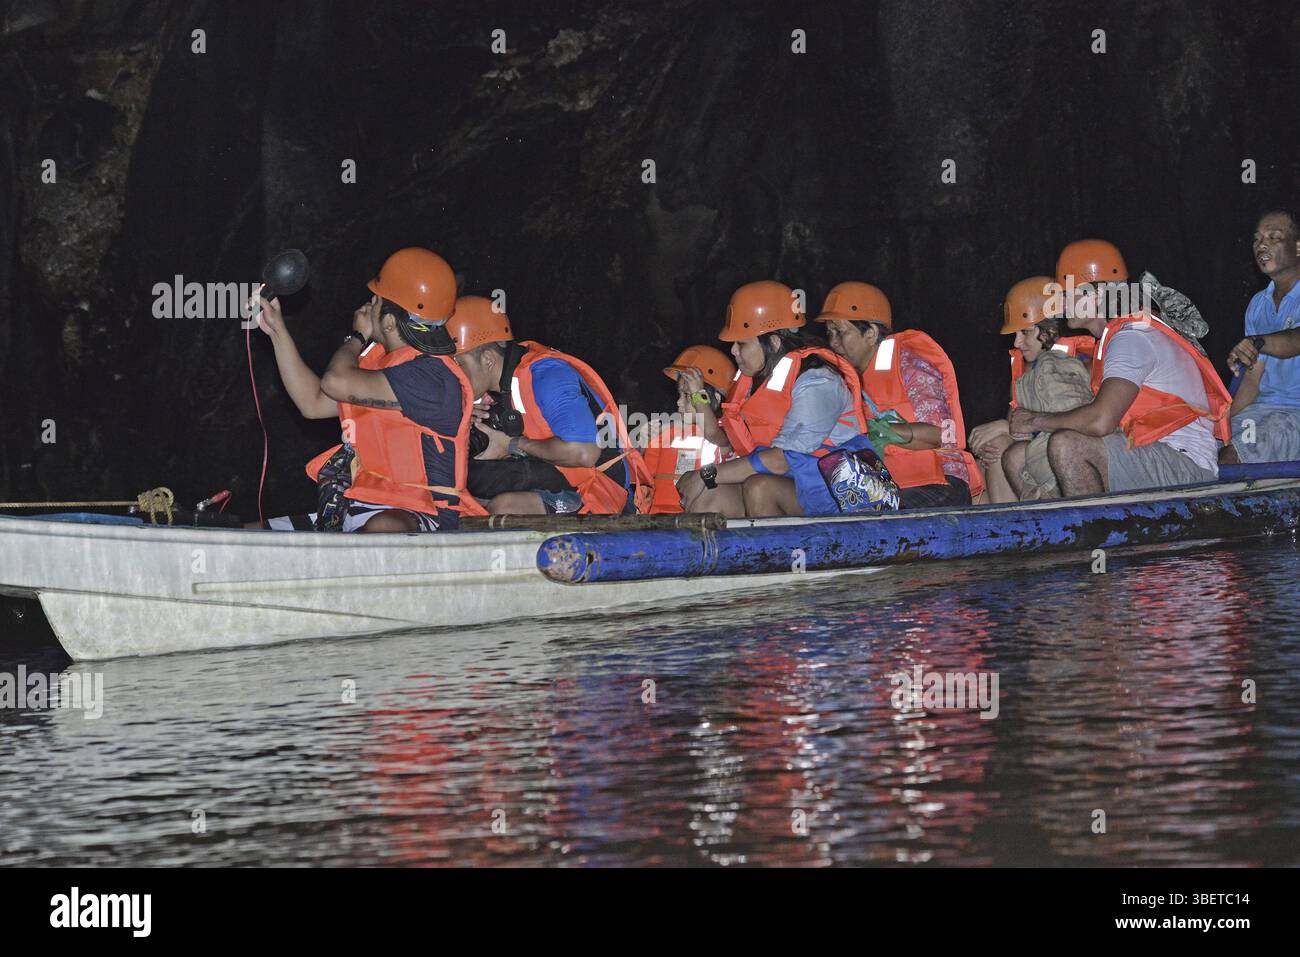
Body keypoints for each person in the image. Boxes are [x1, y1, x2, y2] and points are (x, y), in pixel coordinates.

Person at [255, 247, 485, 532]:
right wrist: (277, 330)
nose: (367, 306)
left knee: (383, 527)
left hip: (422, 515)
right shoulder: (378, 367)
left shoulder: (431, 378)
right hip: (355, 506)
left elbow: (335, 382)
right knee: (247, 533)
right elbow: (312, 403)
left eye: (375, 301)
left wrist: (358, 336)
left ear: (388, 321)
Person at [1008, 239, 1231, 495]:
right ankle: (1062, 531)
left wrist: (1035, 421)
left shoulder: (1132, 337)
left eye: (1068, 293)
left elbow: (1100, 421)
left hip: (1184, 463)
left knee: (1067, 446)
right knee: (1020, 457)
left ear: (1099, 294)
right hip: (1148, 452)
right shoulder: (1112, 340)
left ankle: (1094, 533)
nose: (1061, 302)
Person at [676, 281, 894, 518]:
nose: (733, 351)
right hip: (799, 490)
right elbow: (726, 438)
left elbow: (782, 461)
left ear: (774, 342)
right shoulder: (754, 385)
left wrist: (706, 474)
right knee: (708, 496)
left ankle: (777, 554)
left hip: (852, 498)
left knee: (760, 488)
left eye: (741, 343)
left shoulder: (819, 381)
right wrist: (705, 480)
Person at [449, 295, 651, 515]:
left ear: (487, 359)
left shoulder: (547, 375)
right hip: (556, 476)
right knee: (457, 494)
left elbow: (583, 452)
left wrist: (512, 445)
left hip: (597, 491)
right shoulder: (493, 391)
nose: (453, 373)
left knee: (505, 507)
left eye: (458, 363)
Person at [815, 281, 984, 508]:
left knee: (877, 514)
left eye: (841, 332)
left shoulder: (911, 367)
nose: (833, 343)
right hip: (883, 487)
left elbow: (944, 435)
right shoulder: (842, 382)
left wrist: (881, 431)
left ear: (871, 333)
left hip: (939, 484)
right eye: (830, 333)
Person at [968, 277, 1094, 502]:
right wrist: (1000, 433)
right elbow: (1017, 424)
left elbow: (1079, 429)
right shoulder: (1026, 371)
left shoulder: (1081, 363)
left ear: (1050, 329)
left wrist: (1003, 427)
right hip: (1038, 450)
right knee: (978, 467)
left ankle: (1013, 529)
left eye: (1025, 332)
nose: (1016, 343)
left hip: (1072, 459)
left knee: (998, 447)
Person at [1221, 209, 1300, 464]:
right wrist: (1219, 424)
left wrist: (1259, 342)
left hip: (1294, 413)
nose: (1261, 244)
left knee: (1235, 454)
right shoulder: (1258, 304)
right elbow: (1252, 381)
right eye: (1257, 239)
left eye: (1274, 237)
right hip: (1263, 412)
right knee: (1203, 447)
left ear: (1298, 248)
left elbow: (1295, 340)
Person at [643, 345, 735, 514]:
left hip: (702, 520)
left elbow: (712, 433)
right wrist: (644, 446)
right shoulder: (668, 433)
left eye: (687, 396)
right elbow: (644, 477)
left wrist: (697, 394)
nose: (678, 402)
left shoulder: (726, 433)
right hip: (658, 519)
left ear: (713, 398)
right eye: (679, 395)